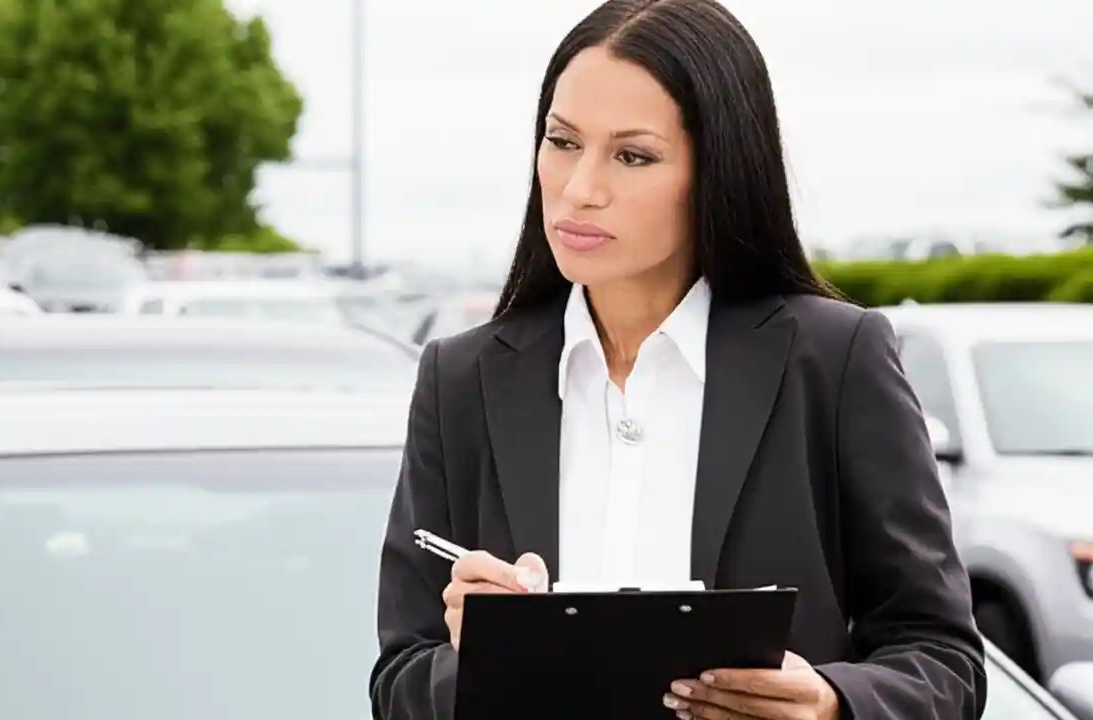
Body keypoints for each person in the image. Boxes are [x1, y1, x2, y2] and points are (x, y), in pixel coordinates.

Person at [370, 0, 986, 718]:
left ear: (719, 170)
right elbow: (398, 684)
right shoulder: (462, 381)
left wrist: (830, 704)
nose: (580, 188)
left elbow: (944, 661)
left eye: (632, 155)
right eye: (563, 141)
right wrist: (477, 659)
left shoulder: (835, 362)